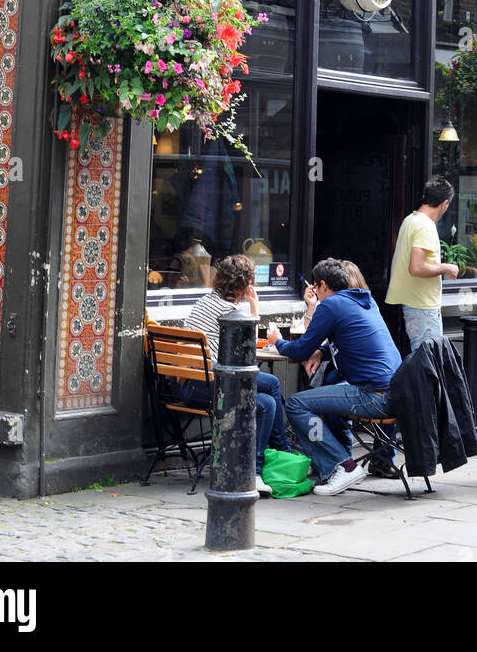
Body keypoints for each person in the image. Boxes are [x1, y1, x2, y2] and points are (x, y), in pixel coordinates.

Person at [266, 258, 401, 496]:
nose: (315, 292)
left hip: (373, 396)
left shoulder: (331, 305)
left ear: (323, 285)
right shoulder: (364, 300)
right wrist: (321, 351)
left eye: (316, 287)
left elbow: (299, 350)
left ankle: (343, 466)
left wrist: (276, 340)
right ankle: (338, 462)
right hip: (395, 393)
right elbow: (352, 338)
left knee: (297, 404)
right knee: (326, 390)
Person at [185, 253, 290, 494]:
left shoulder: (205, 301)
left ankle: (264, 462)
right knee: (270, 389)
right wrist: (255, 308)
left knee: (265, 401)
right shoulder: (230, 313)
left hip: (189, 384)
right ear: (244, 284)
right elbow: (247, 354)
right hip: (213, 385)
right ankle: (272, 458)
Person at [385, 178, 460, 351]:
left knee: (423, 363)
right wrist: (445, 267)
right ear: (445, 203)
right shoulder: (425, 225)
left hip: (414, 304)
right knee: (429, 365)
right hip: (423, 306)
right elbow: (416, 267)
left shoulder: (410, 220)